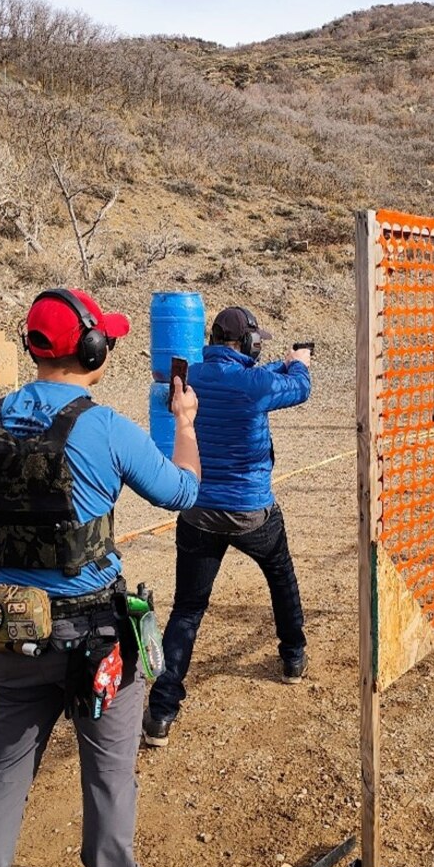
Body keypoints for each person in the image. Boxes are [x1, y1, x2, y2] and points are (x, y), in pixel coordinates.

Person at [0, 287, 200, 867]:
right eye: (105, 340)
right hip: (97, 641)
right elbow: (183, 492)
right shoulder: (106, 427)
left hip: (10, 636)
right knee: (109, 778)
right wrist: (185, 423)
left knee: (1, 774)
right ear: (90, 350)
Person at [143, 305, 311, 749]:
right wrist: (301, 365)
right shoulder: (255, 384)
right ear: (249, 343)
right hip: (250, 511)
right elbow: (298, 389)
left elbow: (248, 377)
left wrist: (282, 363)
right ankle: (293, 656)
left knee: (187, 610)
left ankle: (161, 713)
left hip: (198, 512)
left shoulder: (193, 375)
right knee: (281, 575)